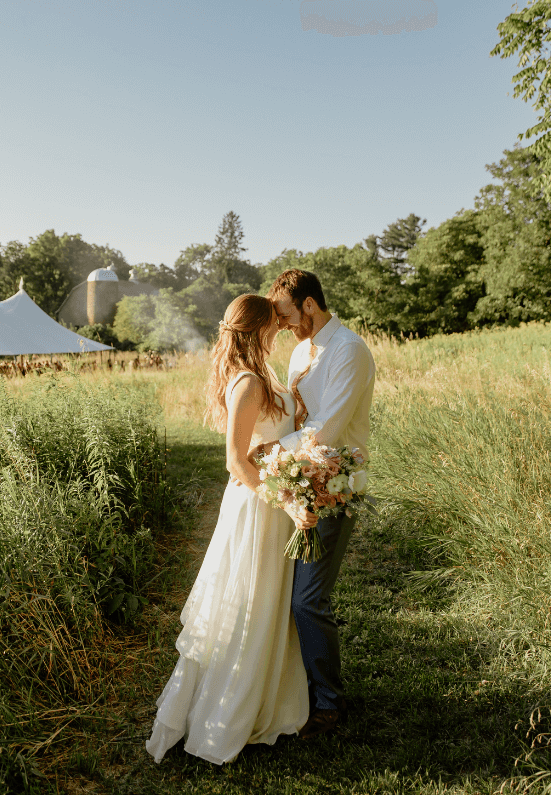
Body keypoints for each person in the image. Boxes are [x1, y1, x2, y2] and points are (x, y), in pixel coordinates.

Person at [146, 293, 316, 765]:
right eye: (275, 324)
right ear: (259, 328)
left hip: (274, 500)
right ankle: (228, 711)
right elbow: (236, 461)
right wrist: (286, 497)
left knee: (270, 603)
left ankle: (270, 698)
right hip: (257, 507)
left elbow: (271, 439)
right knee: (248, 602)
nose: (282, 327)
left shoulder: (265, 375)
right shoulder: (246, 382)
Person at [264, 269, 376, 740]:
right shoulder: (299, 352)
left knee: (309, 600)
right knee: (290, 595)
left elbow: (327, 429)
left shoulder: (349, 350)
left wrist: (269, 453)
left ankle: (329, 706)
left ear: (309, 304)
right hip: (298, 481)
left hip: (336, 482)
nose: (287, 326)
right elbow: (297, 413)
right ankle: (299, 693)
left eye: (289, 316)